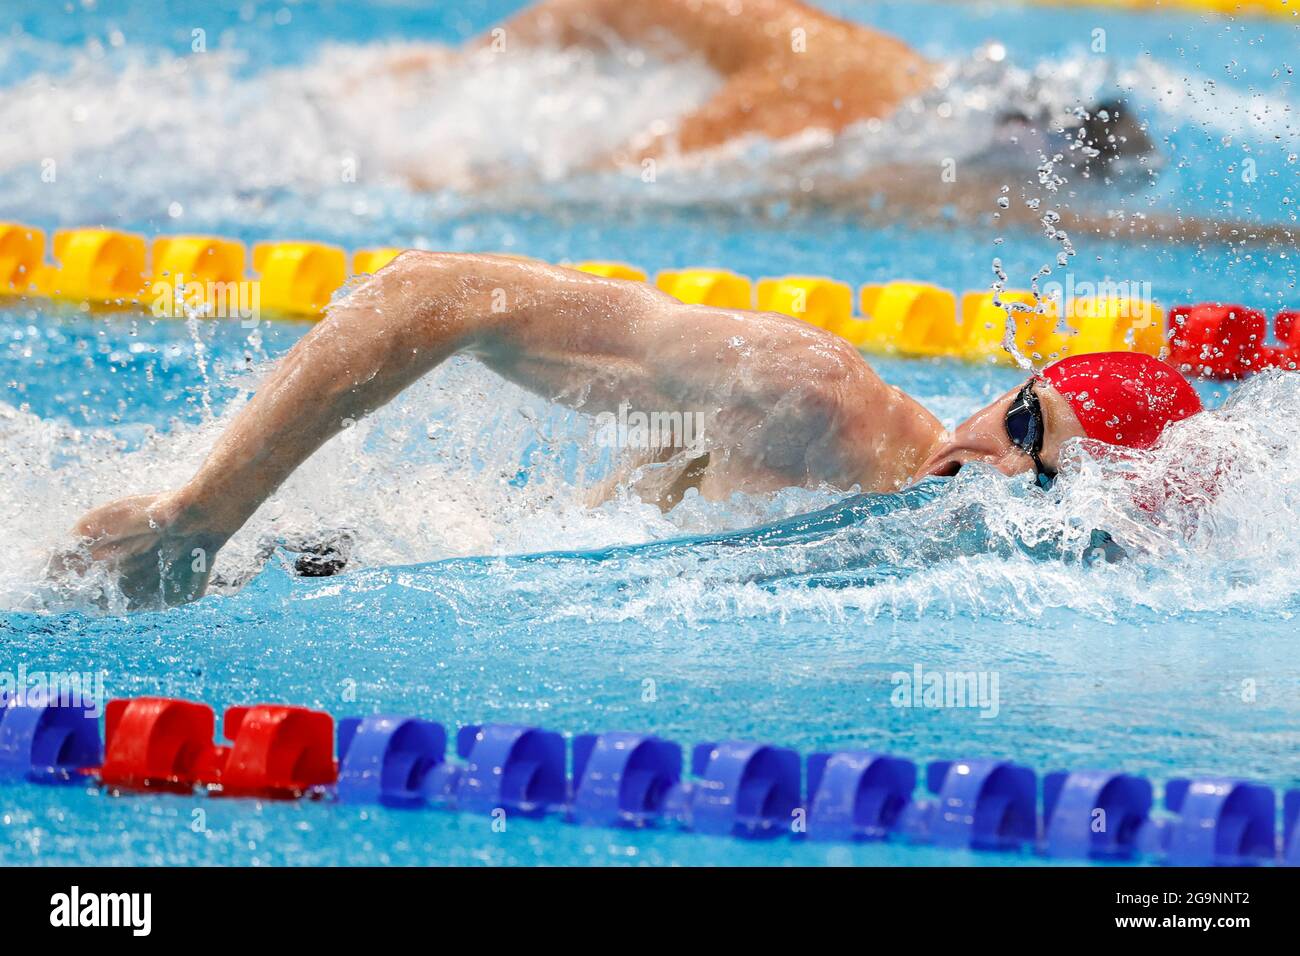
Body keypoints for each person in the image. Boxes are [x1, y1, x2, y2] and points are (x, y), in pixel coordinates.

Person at [60, 251, 1202, 609]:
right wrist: (201, 512)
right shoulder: (806, 396)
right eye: (1015, 415)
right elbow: (435, 292)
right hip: (298, 569)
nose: (986, 456)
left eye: (1037, 472)